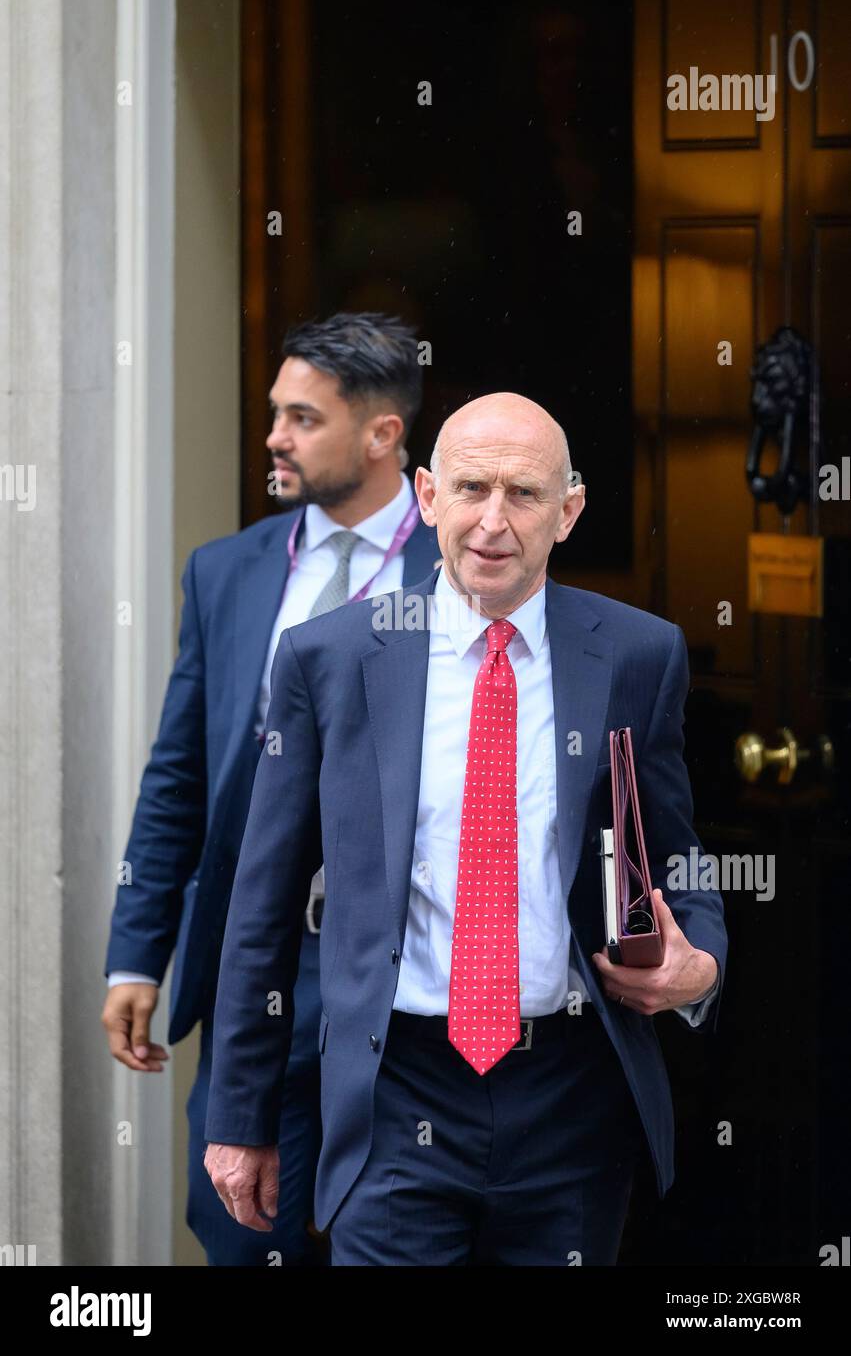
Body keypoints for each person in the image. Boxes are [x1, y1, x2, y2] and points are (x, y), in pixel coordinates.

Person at [203, 391, 726, 1266]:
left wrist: (698, 965)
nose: (492, 521)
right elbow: (260, 904)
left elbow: (675, 856)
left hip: (570, 1093)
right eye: (471, 487)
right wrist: (238, 1118)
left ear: (568, 512)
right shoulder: (329, 658)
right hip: (393, 1088)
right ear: (425, 496)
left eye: (523, 495)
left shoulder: (638, 654)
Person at [102, 312, 439, 1265]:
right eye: (273, 414)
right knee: (239, 1235)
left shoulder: (462, 570)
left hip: (406, 980)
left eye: (301, 418)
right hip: (253, 969)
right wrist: (138, 954)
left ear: (382, 435)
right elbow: (180, 777)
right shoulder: (226, 571)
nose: (273, 439)